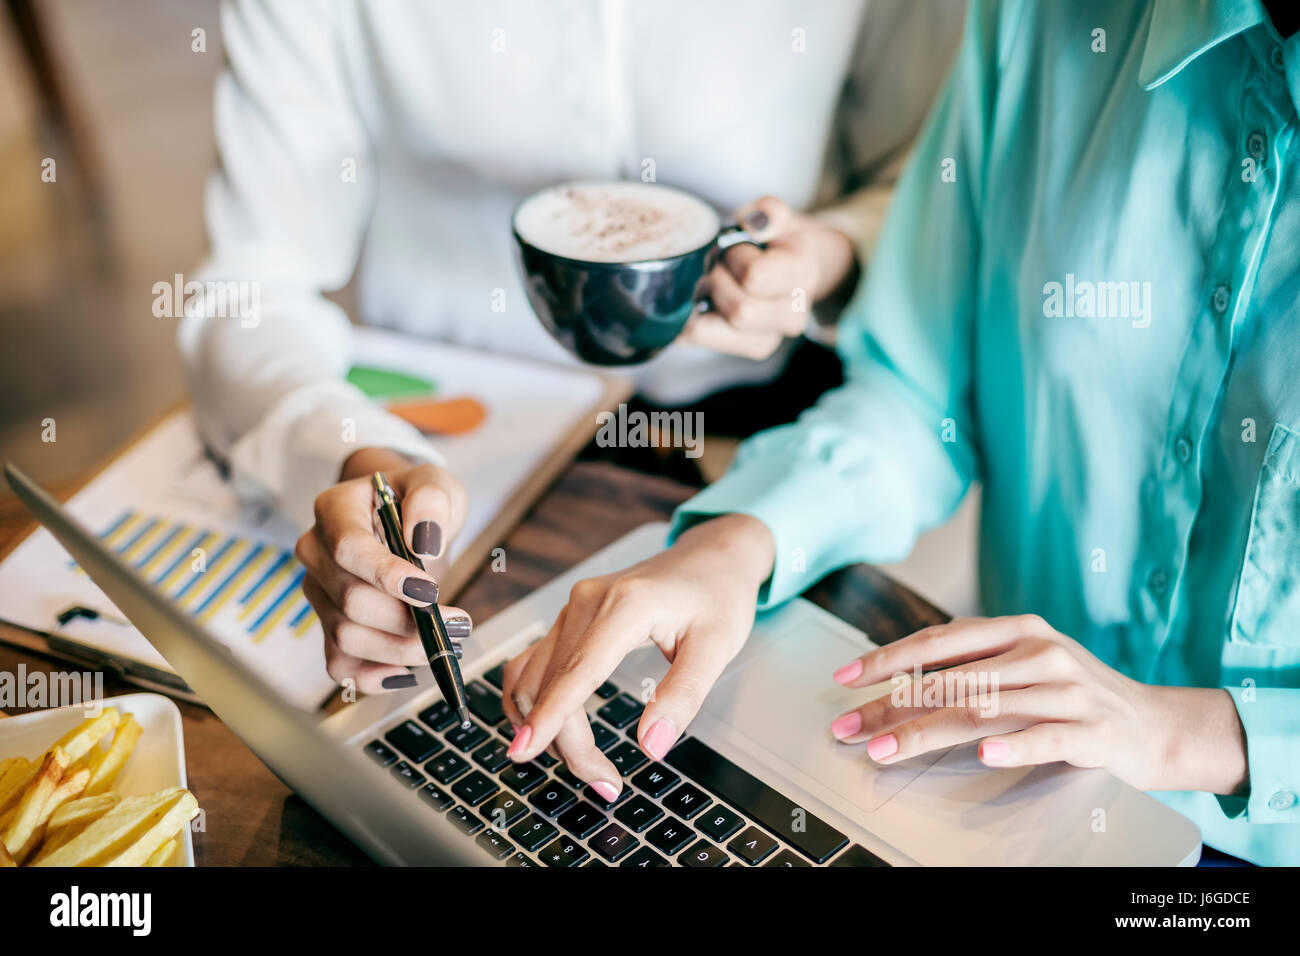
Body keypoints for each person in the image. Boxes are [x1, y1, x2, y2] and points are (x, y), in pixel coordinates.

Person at [499, 0, 1300, 866]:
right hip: (1003, 792)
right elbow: (920, 397)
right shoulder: (1044, 20)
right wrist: (735, 545)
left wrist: (1176, 734)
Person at [177, 0, 963, 693]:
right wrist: (347, 451)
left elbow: (937, 184)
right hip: (439, 454)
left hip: (751, 442)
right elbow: (248, 290)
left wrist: (830, 256)